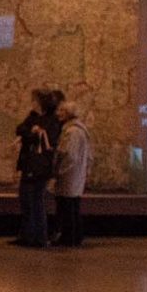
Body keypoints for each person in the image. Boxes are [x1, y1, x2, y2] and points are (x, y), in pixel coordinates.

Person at [13, 89, 62, 248]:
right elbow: (20, 129)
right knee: (26, 200)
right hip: (28, 163)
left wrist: (32, 134)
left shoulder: (52, 120)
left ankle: (39, 237)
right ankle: (27, 235)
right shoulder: (33, 118)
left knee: (36, 201)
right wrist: (30, 132)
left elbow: (44, 139)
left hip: (40, 165)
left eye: (34, 101)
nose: (32, 104)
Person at [55, 102, 91, 248]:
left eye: (62, 110)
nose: (59, 113)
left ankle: (69, 237)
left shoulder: (73, 132)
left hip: (70, 173)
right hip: (74, 173)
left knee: (68, 206)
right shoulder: (75, 130)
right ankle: (73, 236)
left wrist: (59, 170)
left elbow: (69, 154)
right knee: (71, 205)